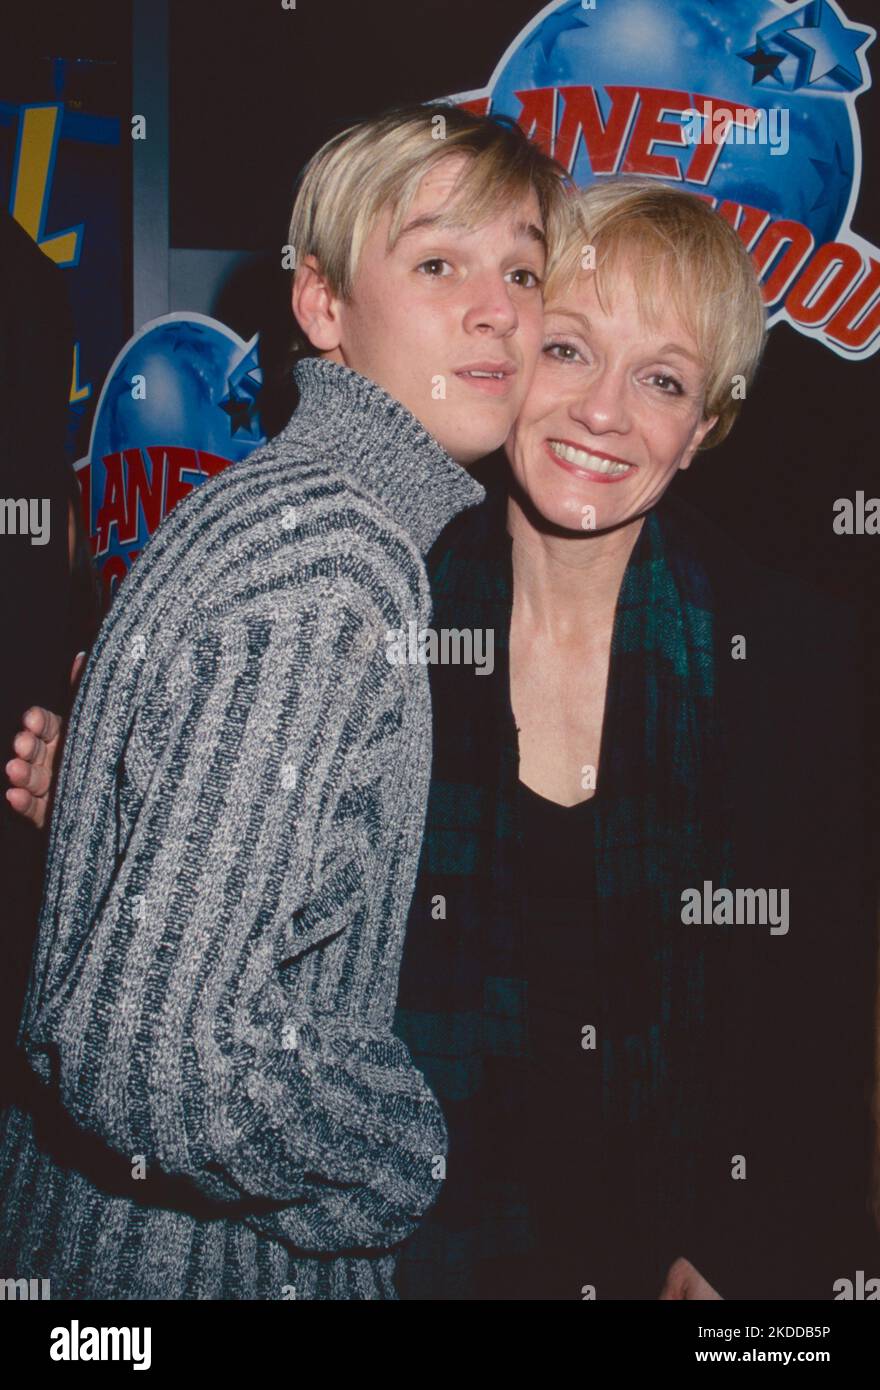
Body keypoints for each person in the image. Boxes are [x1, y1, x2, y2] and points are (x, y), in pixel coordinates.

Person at [0, 101, 570, 1300]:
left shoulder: (276, 507)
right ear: (322, 307)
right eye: (437, 262)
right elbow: (147, 1052)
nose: (498, 309)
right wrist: (403, 1154)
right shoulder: (334, 566)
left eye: (522, 268)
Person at [390, 178, 878, 1300]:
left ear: (701, 429)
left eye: (659, 378)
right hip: (410, 1247)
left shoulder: (788, 652)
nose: (603, 412)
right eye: (569, 349)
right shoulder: (382, 614)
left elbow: (809, 1020)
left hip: (678, 1243)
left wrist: (735, 1253)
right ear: (508, 359)